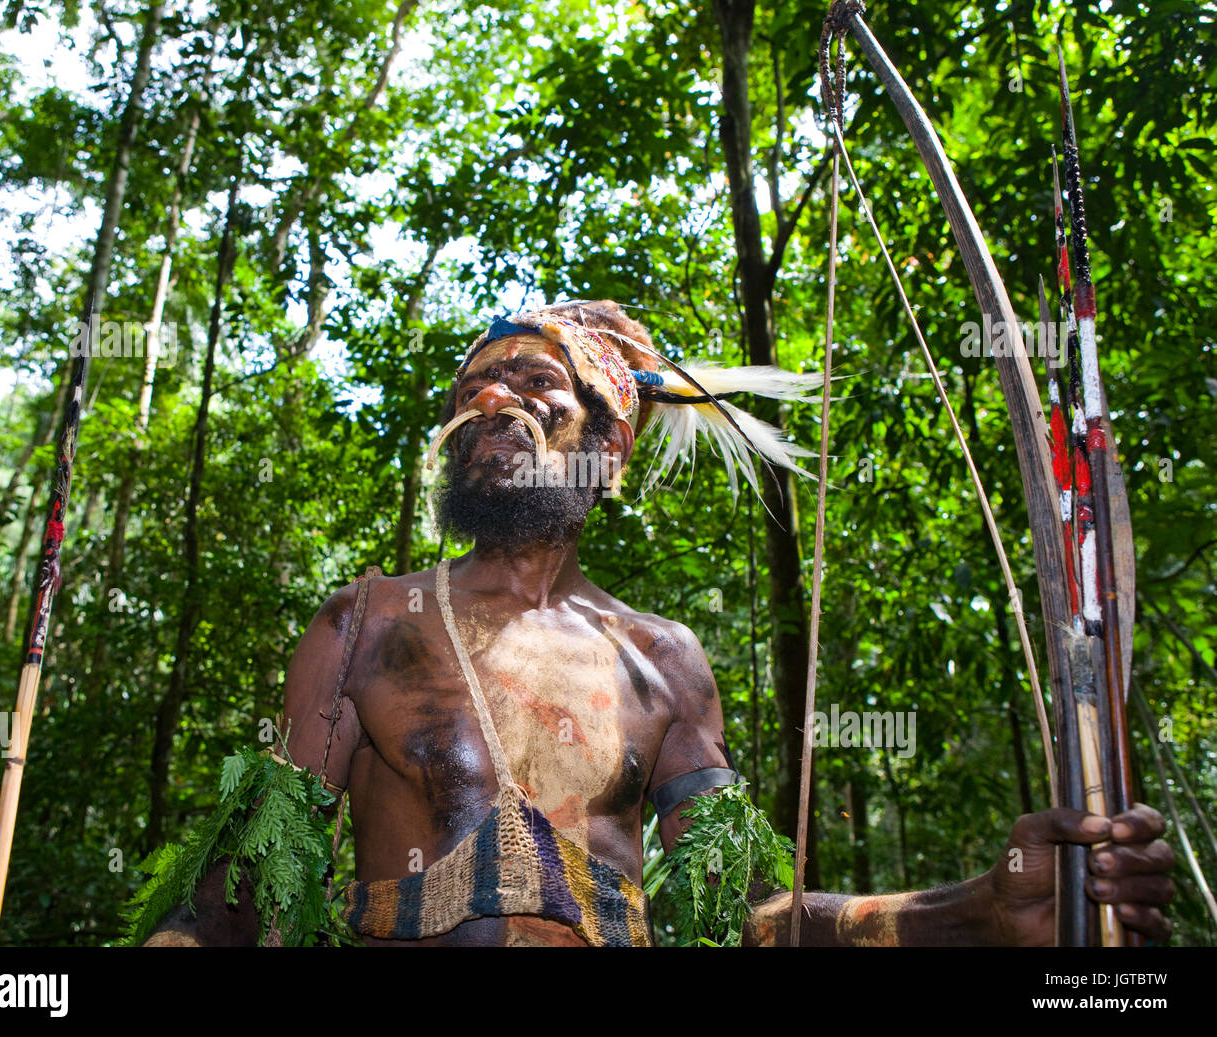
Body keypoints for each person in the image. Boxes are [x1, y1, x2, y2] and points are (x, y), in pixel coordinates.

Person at [146, 299, 1174, 947]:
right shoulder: (368, 621)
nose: (490, 397)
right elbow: (241, 896)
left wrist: (989, 905)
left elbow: (741, 921)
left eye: (535, 380)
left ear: (610, 444)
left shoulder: (662, 660)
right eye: (468, 390)